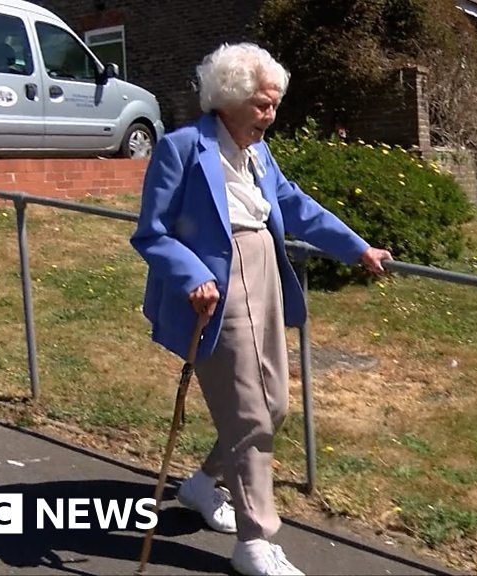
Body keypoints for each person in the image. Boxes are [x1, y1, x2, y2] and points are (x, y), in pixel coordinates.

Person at [130, 42, 392, 576]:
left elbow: (292, 203)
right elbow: (150, 233)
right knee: (249, 411)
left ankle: (204, 484)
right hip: (216, 290)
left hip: (266, 274)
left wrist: (356, 247)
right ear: (228, 99)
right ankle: (255, 540)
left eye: (274, 105)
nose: (270, 116)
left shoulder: (258, 152)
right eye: (262, 105)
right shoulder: (182, 148)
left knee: (272, 406)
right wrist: (193, 274)